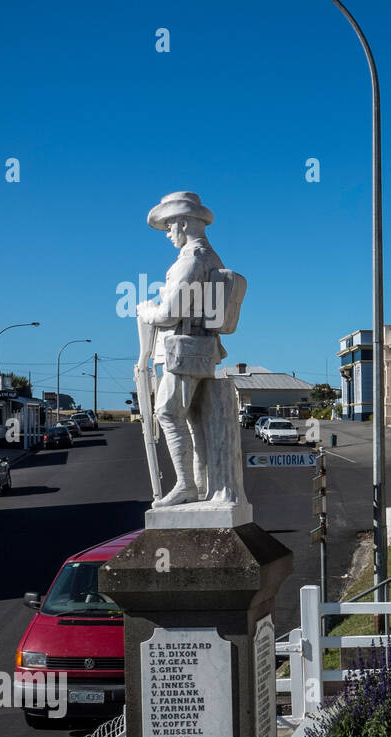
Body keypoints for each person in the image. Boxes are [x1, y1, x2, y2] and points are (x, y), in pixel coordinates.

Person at [135, 191, 244, 507]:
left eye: (170, 226)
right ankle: (199, 486)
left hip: (185, 350)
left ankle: (186, 485)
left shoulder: (191, 260)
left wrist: (146, 310)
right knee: (196, 421)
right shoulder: (209, 257)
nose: (168, 233)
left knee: (168, 412)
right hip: (196, 348)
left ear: (183, 223)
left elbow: (170, 313)